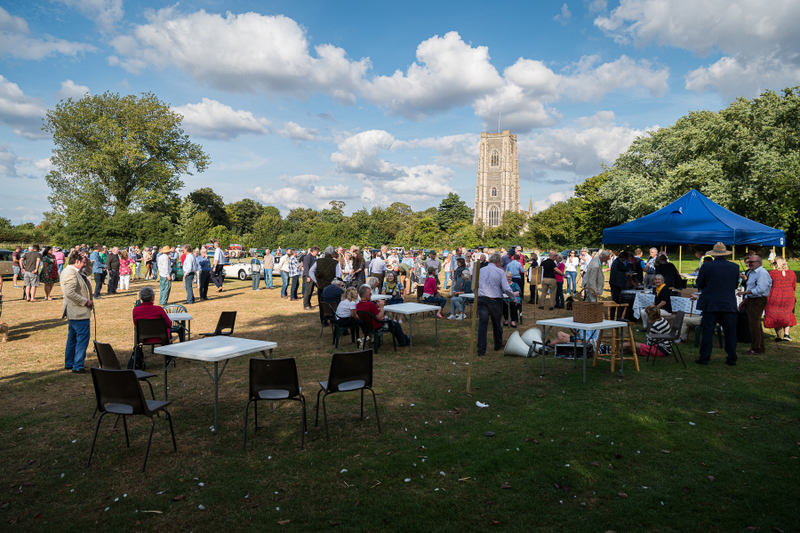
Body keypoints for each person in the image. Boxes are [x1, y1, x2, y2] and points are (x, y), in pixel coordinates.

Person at [693, 243, 740, 366]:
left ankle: (704, 358)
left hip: (711, 302)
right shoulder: (734, 267)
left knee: (708, 331)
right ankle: (732, 358)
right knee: (730, 333)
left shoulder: (707, 266)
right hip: (728, 303)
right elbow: (735, 285)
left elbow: (699, 283)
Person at [476, 253, 516, 356]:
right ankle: (498, 344)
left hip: (482, 299)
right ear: (498, 261)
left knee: (482, 324)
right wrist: (514, 298)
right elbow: (506, 288)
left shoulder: (480, 270)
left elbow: (474, 285)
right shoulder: (500, 272)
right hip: (495, 300)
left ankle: (481, 349)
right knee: (497, 324)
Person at [60, 250, 93, 373]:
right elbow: (69, 293)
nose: (85, 264)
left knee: (72, 338)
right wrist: (86, 301)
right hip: (78, 312)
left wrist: (87, 260)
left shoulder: (74, 271)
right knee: (82, 339)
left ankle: (69, 363)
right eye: (84, 262)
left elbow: (89, 272)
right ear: (77, 261)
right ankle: (78, 365)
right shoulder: (70, 273)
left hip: (74, 311)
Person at [737, 254, 772, 355]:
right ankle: (759, 347)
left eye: (751, 262)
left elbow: (761, 290)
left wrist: (745, 293)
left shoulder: (762, 273)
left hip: (758, 300)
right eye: (748, 262)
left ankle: (756, 349)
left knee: (754, 325)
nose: (749, 264)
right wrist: (745, 300)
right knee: (755, 324)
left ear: (759, 263)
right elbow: (751, 286)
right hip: (752, 300)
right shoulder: (752, 272)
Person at [355, 284, 408, 348]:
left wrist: (376, 307)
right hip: (377, 326)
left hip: (367, 326)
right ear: (364, 295)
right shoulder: (370, 305)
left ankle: (405, 338)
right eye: (369, 294)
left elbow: (371, 313)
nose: (371, 295)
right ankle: (404, 342)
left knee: (393, 324)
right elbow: (380, 318)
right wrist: (381, 308)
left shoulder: (358, 305)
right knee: (395, 325)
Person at [764, 256, 796, 342]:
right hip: (789, 295)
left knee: (776, 315)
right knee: (787, 313)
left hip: (775, 296)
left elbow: (767, 285)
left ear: (776, 263)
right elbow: (794, 286)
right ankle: (786, 334)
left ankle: (778, 337)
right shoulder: (792, 273)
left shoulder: (772, 273)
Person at [310, 246, 342, 323]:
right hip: (331, 286)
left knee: (322, 304)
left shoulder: (318, 261)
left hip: (321, 285)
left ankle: (323, 320)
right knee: (333, 303)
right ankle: (333, 320)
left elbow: (310, 271)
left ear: (325, 253)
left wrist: (316, 281)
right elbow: (338, 275)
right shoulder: (335, 263)